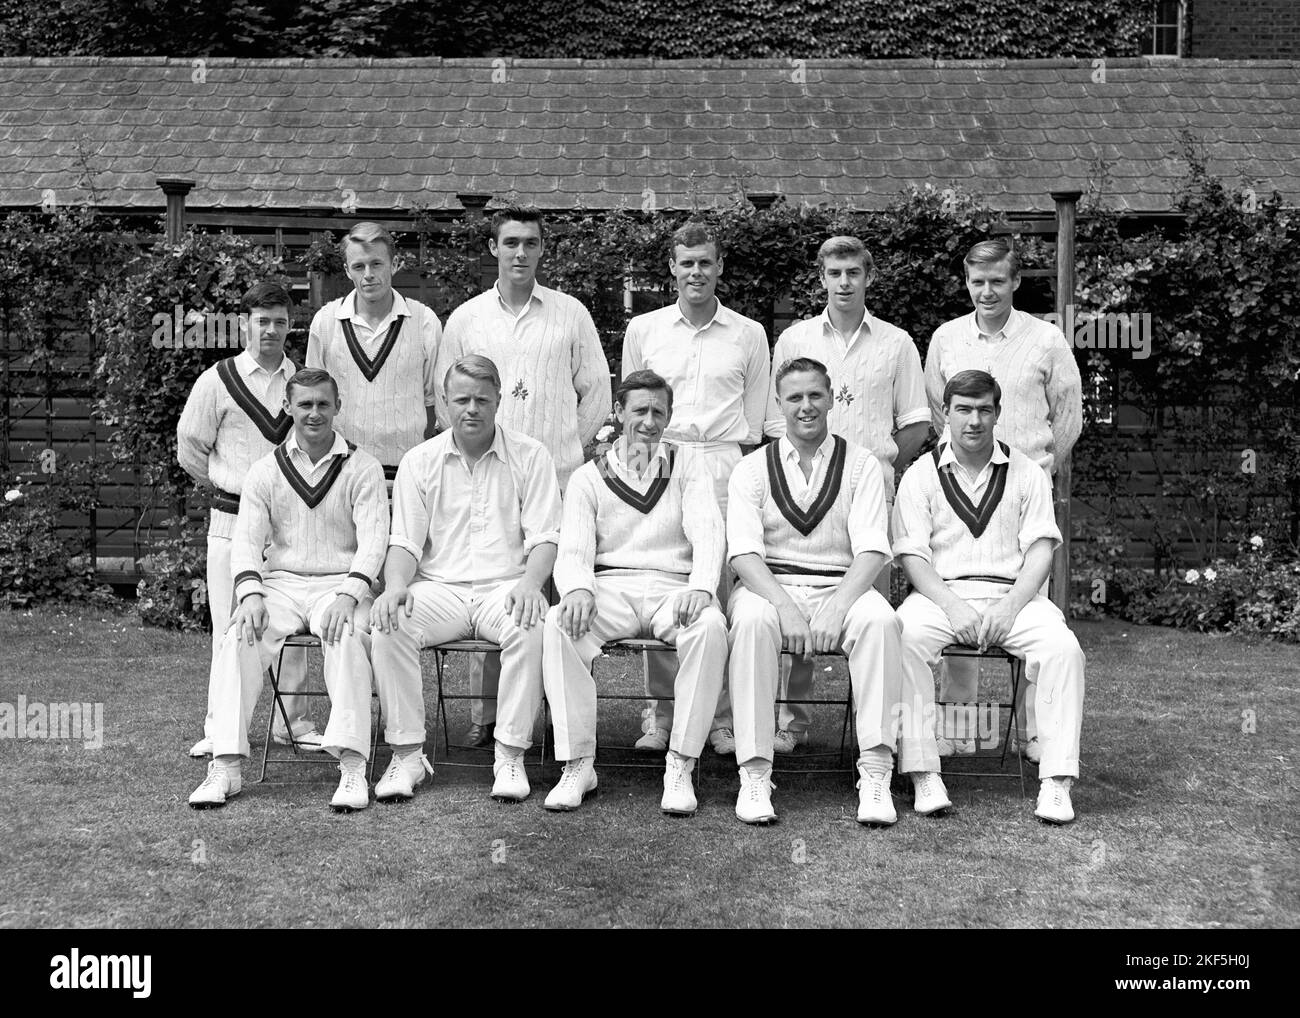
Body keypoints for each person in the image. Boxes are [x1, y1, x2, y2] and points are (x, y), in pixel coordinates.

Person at [437, 204, 612, 747]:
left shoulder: (569, 313)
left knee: (554, 597)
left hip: (557, 478)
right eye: (510, 242)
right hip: (483, 475)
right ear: (494, 248)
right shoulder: (466, 319)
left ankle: (562, 716)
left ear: (542, 249)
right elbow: (447, 397)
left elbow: (597, 392)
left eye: (530, 243)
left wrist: (562, 453)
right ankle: (487, 716)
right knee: (487, 583)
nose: (519, 252)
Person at [187, 368, 389, 812]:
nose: (314, 413)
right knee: (240, 633)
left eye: (322, 404)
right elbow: (246, 540)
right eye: (304, 404)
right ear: (287, 407)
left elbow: (374, 541)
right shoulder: (265, 471)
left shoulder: (364, 467)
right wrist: (251, 595)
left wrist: (350, 594)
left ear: (338, 406)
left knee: (347, 633)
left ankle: (353, 766)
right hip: (281, 585)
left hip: (341, 585)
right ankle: (225, 766)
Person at [892, 369, 1085, 824]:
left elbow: (1041, 549)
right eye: (963, 409)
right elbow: (912, 557)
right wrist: (953, 605)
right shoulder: (920, 475)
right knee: (902, 637)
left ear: (997, 414)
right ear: (946, 416)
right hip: (941, 595)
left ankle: (1057, 782)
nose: (973, 420)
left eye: (983, 410)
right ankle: (923, 771)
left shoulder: (1028, 473)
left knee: (1064, 649)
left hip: (1013, 596)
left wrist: (1011, 605)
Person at [369, 355, 562, 804]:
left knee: (532, 623)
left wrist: (532, 584)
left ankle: (509, 756)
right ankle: (407, 754)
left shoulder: (531, 456)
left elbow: (545, 538)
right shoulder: (419, 461)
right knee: (390, 621)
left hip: (506, 587)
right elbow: (404, 543)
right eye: (461, 400)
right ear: (443, 403)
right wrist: (396, 586)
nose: (471, 409)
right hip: (441, 589)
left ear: (498, 402)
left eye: (482, 399)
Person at [765, 236, 930, 752]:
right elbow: (778, 422)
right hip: (802, 495)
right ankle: (790, 723)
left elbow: (916, 424)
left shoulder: (897, 342)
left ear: (869, 276)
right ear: (821, 278)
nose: (844, 282)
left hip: (871, 500)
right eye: (834, 273)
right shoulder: (794, 339)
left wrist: (873, 469)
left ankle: (869, 731)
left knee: (867, 615)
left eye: (853, 273)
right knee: (795, 601)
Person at [725, 357, 903, 826]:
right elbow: (743, 554)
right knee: (749, 620)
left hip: (839, 585)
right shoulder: (750, 468)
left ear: (831, 398)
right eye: (795, 398)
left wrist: (837, 606)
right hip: (770, 586)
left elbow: (872, 550)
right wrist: (784, 606)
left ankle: (877, 770)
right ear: (779, 404)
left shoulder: (862, 464)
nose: (806, 407)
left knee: (882, 619)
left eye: (815, 396)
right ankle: (756, 770)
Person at [924, 239, 1083, 760]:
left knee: (1028, 605)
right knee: (959, 592)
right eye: (977, 281)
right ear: (966, 282)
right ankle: (957, 726)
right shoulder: (947, 338)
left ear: (1015, 282)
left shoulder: (1047, 339)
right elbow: (934, 409)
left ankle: (1037, 732)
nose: (987, 291)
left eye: (997, 281)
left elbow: (1068, 414)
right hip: (959, 489)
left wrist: (1036, 470)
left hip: (1023, 491)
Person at [542, 370, 726, 815]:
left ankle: (680, 763)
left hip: (673, 589)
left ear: (669, 415)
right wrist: (578, 590)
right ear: (619, 412)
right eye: (639, 409)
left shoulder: (689, 465)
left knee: (711, 626)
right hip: (611, 587)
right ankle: (578, 762)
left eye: (658, 411)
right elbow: (574, 546)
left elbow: (708, 530)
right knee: (559, 623)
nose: (649, 420)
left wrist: (701, 586)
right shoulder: (589, 477)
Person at [620, 221, 770, 756]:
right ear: (672, 268)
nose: (696, 272)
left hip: (725, 463)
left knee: (721, 593)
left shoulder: (749, 333)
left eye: (705, 262)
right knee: (666, 575)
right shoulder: (645, 330)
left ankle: (721, 719)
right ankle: (663, 714)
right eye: (686, 263)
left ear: (719, 266)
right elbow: (636, 405)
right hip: (663, 460)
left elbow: (756, 419)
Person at [177, 281, 317, 758]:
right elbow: (190, 448)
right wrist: (229, 488)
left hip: (291, 526)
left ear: (290, 324)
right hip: (230, 521)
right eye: (262, 321)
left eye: (281, 321)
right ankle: (219, 727)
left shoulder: (303, 383)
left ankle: (292, 722)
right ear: (244, 324)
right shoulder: (216, 380)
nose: (271, 330)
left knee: (294, 625)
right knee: (230, 625)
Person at [307, 221, 442, 486]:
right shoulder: (325, 322)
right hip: (340, 475)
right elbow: (314, 400)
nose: (368, 274)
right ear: (347, 271)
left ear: (394, 264)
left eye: (376, 264)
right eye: (359, 266)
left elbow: (434, 402)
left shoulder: (424, 322)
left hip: (408, 476)